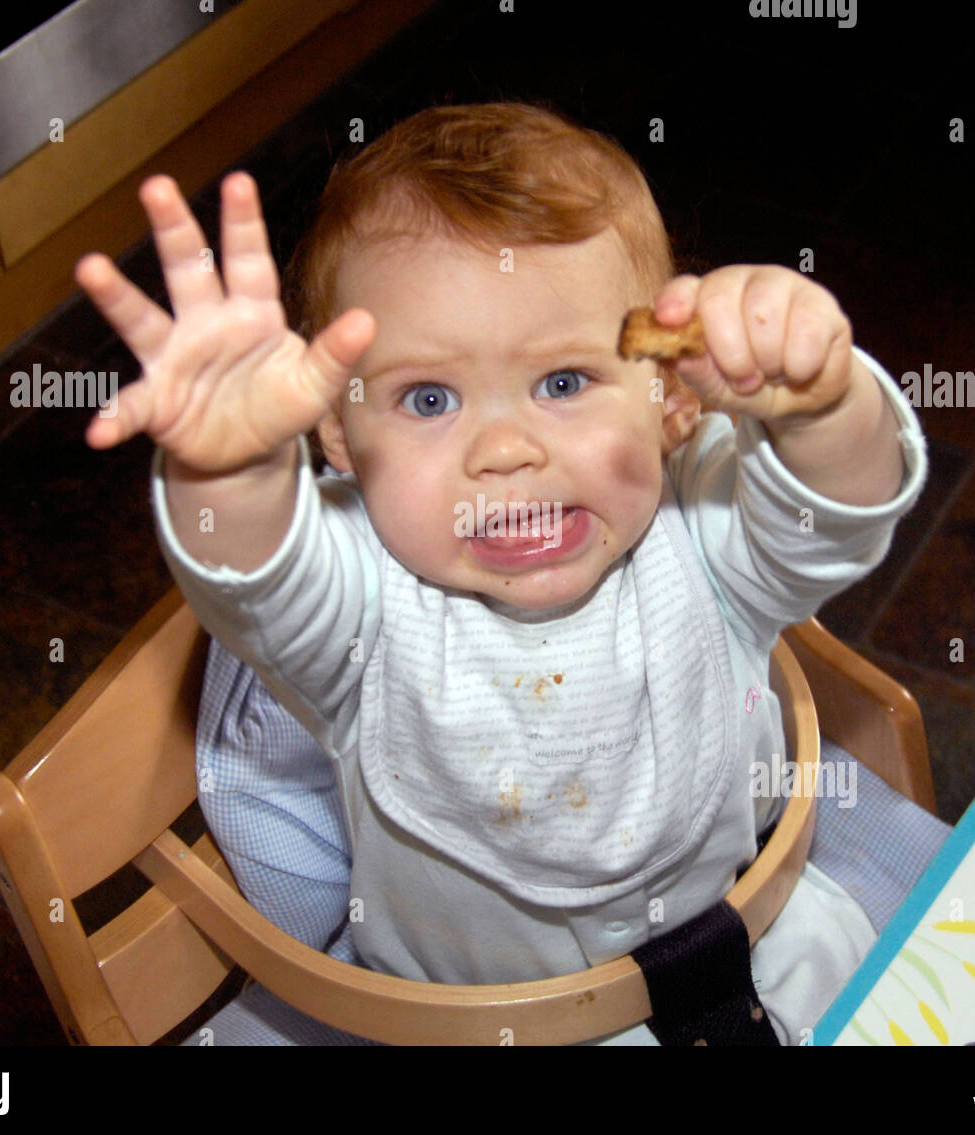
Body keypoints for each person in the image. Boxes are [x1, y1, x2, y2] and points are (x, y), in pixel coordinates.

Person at [76, 102, 928, 1044]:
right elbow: (257, 581)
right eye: (428, 398)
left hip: (751, 954)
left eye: (564, 382)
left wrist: (821, 409)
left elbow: (835, 520)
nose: (507, 448)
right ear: (337, 437)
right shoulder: (359, 607)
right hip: (457, 1028)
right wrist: (229, 470)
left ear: (673, 395)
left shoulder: (705, 530)